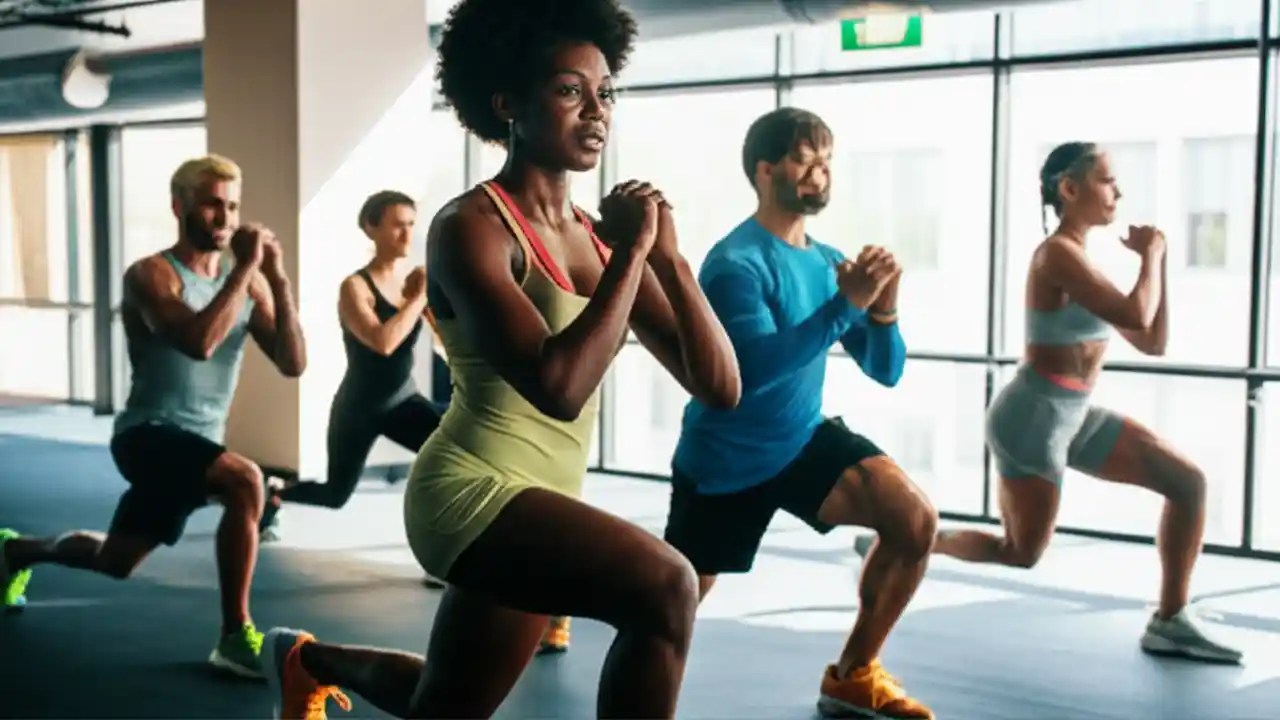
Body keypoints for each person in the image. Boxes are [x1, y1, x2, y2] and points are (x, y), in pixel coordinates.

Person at [259, 0, 741, 717]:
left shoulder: (602, 240)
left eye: (604, 91)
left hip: (543, 499)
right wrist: (634, 255)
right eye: (570, 90)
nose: (596, 112)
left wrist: (668, 260)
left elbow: (720, 386)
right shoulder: (471, 228)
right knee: (668, 584)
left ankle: (308, 660)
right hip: (471, 493)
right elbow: (559, 388)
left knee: (446, 706)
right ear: (508, 101)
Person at [884, 141, 1240, 664]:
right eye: (1107, 180)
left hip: (1074, 414)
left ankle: (1170, 620)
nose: (1118, 190)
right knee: (1021, 553)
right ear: (1070, 190)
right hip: (1032, 418)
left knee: (1187, 483)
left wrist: (1156, 267)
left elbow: (1151, 338)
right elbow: (1139, 316)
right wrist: (1153, 256)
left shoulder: (1085, 264)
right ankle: (911, 541)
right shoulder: (1057, 255)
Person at [663, 107, 938, 720]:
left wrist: (883, 309)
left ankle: (853, 675)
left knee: (913, 522)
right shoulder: (735, 262)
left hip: (800, 439)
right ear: (766, 170)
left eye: (826, 161)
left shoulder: (825, 259)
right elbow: (752, 373)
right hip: (727, 460)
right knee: (670, 605)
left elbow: (885, 369)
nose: (820, 173)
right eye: (805, 159)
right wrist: (846, 306)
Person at [0, 154, 307, 678]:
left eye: (232, 207)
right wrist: (248, 272)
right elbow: (198, 343)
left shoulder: (247, 282)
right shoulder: (151, 275)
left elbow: (293, 362)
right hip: (147, 436)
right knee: (244, 480)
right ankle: (234, 636)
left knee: (115, 561)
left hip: (198, 444)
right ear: (179, 205)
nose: (225, 217)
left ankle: (18, 552)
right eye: (212, 204)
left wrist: (277, 280)